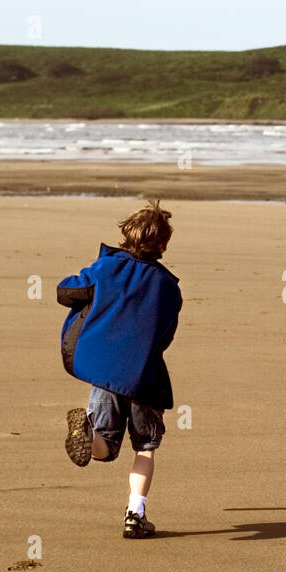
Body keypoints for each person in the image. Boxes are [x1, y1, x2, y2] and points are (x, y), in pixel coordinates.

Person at [57, 200, 182, 540]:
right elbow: (165, 334)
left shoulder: (104, 269)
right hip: (145, 377)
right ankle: (135, 513)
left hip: (105, 375)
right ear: (163, 245)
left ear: (126, 234)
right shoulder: (169, 286)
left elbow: (66, 291)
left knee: (106, 446)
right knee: (145, 447)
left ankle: (88, 433)